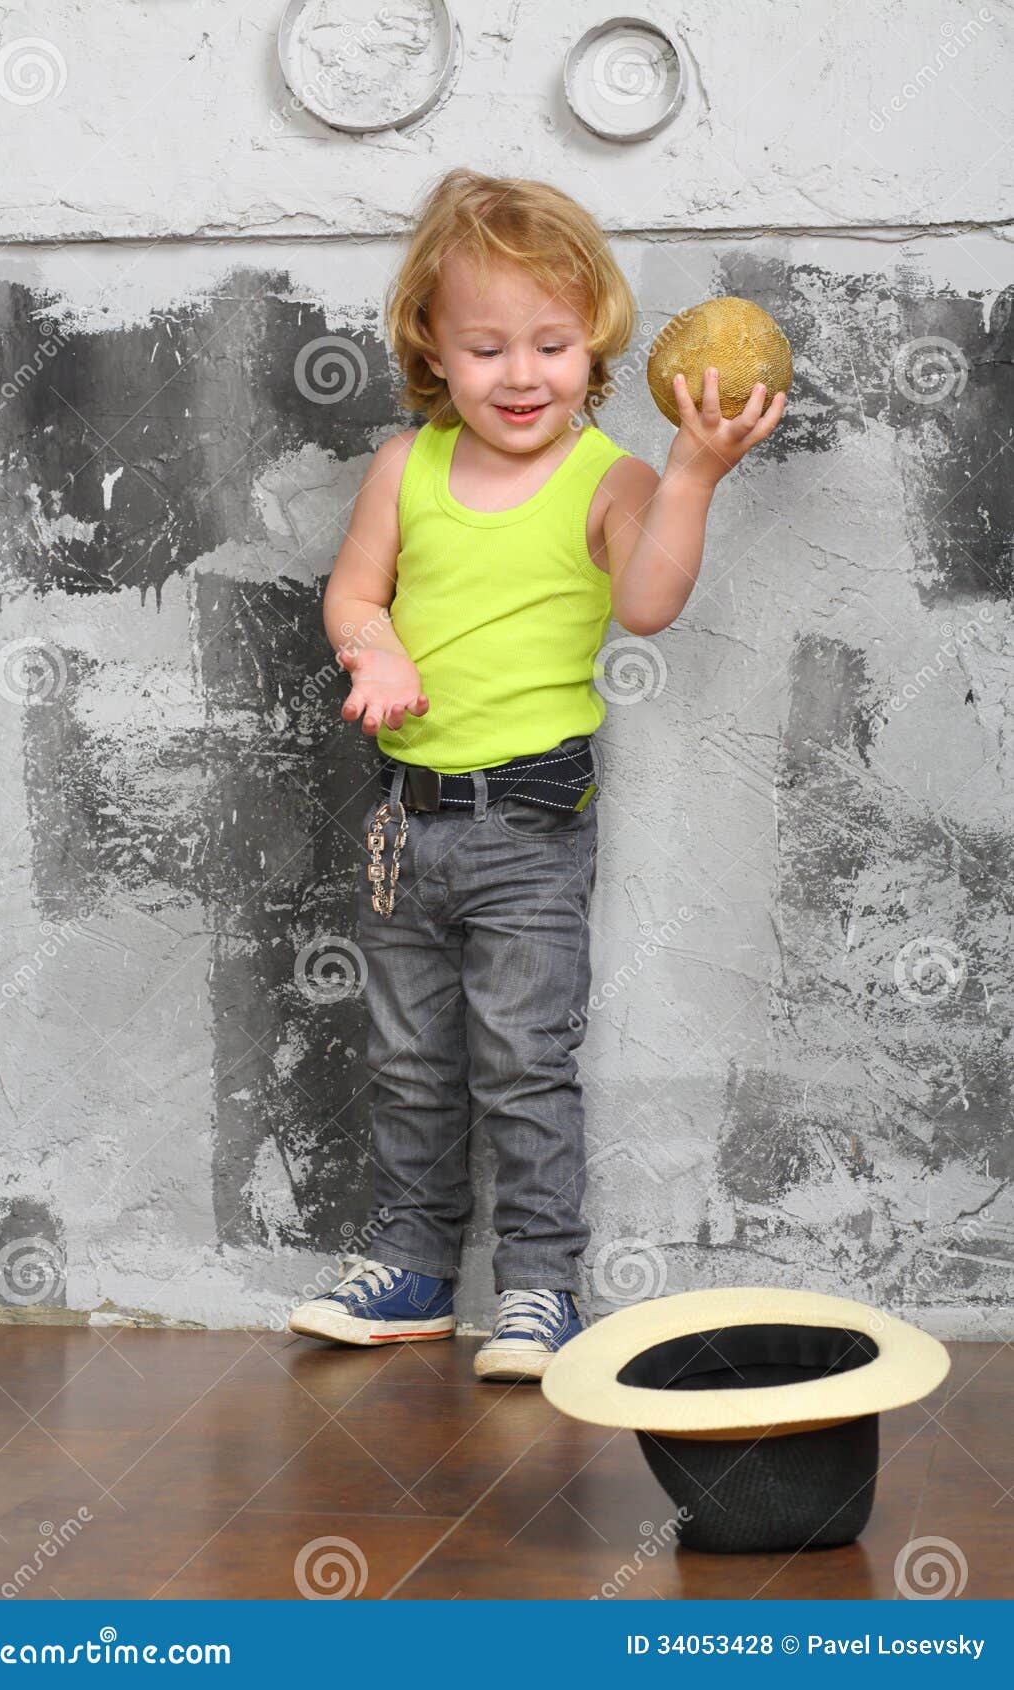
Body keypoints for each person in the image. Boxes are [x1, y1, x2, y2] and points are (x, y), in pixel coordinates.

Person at [288, 168, 785, 1380]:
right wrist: (378, 646)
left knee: (521, 1064)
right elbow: (351, 592)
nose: (523, 375)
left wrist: (691, 476)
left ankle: (536, 1291)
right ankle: (410, 1269)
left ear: (594, 344)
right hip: (406, 827)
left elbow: (650, 605)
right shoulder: (402, 468)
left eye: (551, 344)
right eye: (488, 346)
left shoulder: (606, 478)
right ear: (433, 350)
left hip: (528, 825)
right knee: (407, 1063)